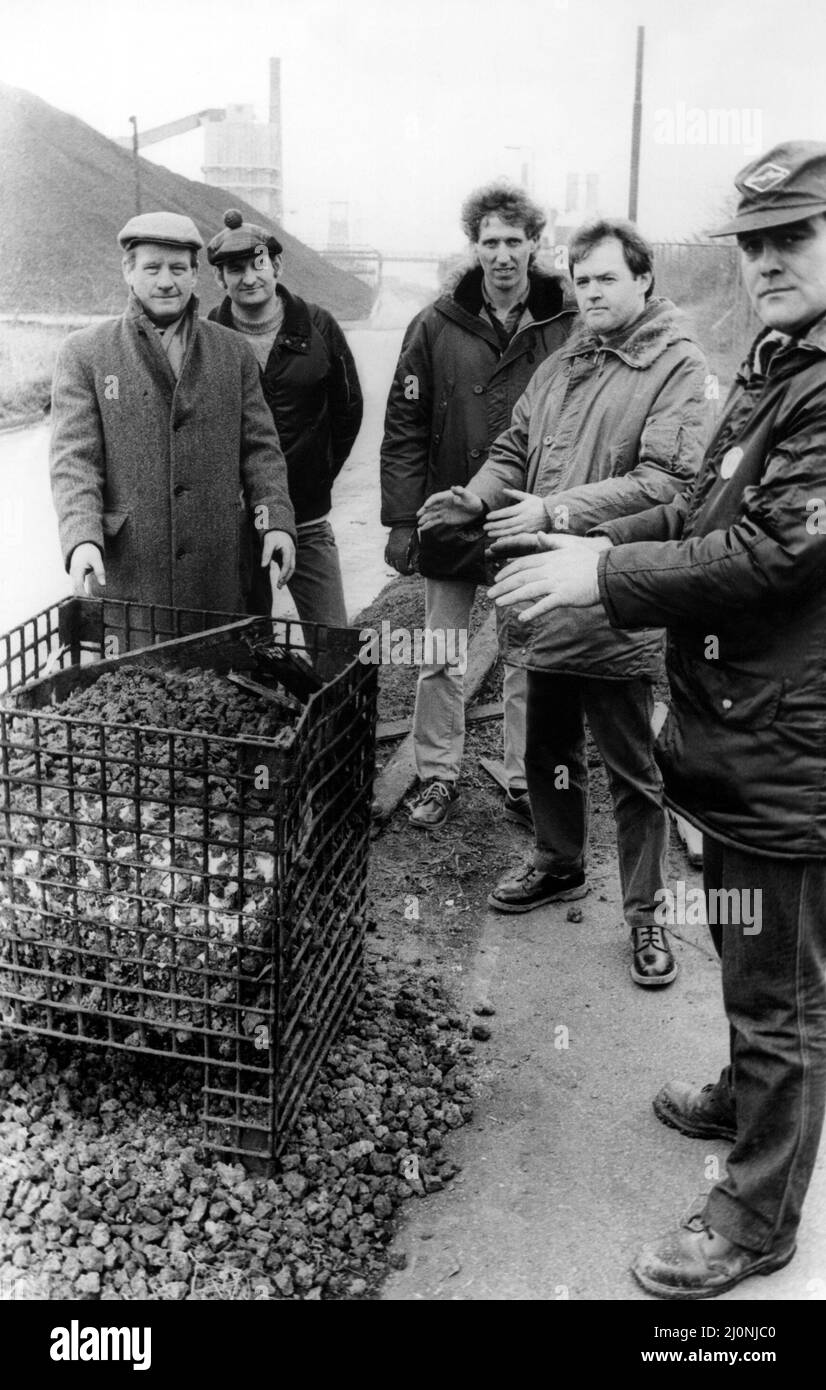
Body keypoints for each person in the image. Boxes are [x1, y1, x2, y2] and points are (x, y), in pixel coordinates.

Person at [485, 141, 826, 1298]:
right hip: (740, 725)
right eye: (755, 243)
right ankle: (745, 1095)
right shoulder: (777, 365)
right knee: (741, 937)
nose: (768, 261)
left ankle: (754, 1215)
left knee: (781, 984)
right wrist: (594, 540)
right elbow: (696, 504)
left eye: (795, 238)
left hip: (792, 738)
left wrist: (603, 581)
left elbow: (774, 549)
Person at [420, 219, 709, 986]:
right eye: (582, 281)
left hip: (614, 588)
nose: (592, 293)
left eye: (608, 279)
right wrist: (470, 497)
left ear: (644, 279)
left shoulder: (677, 366)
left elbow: (667, 485)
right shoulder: (565, 360)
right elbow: (515, 447)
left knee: (631, 767)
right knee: (547, 746)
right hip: (543, 590)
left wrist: (558, 512)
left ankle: (648, 917)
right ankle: (558, 861)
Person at [380, 181, 577, 828]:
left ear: (535, 245)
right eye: (489, 242)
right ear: (474, 246)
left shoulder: (565, 325)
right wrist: (404, 519)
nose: (501, 255)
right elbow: (404, 424)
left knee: (527, 652)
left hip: (528, 511)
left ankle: (524, 779)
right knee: (440, 652)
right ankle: (437, 774)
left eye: (513, 241)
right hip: (450, 510)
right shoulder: (436, 324)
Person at [50, 212, 296, 614]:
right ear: (128, 271)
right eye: (152, 268)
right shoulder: (85, 353)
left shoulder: (233, 352)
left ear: (195, 273)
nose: (166, 280)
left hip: (220, 573)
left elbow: (261, 452)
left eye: (178, 268)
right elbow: (74, 462)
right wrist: (82, 539)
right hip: (130, 572)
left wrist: (274, 523)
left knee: (222, 674)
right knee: (136, 677)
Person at [206, 210, 363, 627]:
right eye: (234, 269)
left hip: (307, 517)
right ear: (220, 280)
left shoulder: (318, 326)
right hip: (237, 524)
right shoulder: (208, 338)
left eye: (258, 263)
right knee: (244, 646)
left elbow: (348, 411)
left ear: (276, 265)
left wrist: (318, 475)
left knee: (334, 645)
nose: (249, 277)